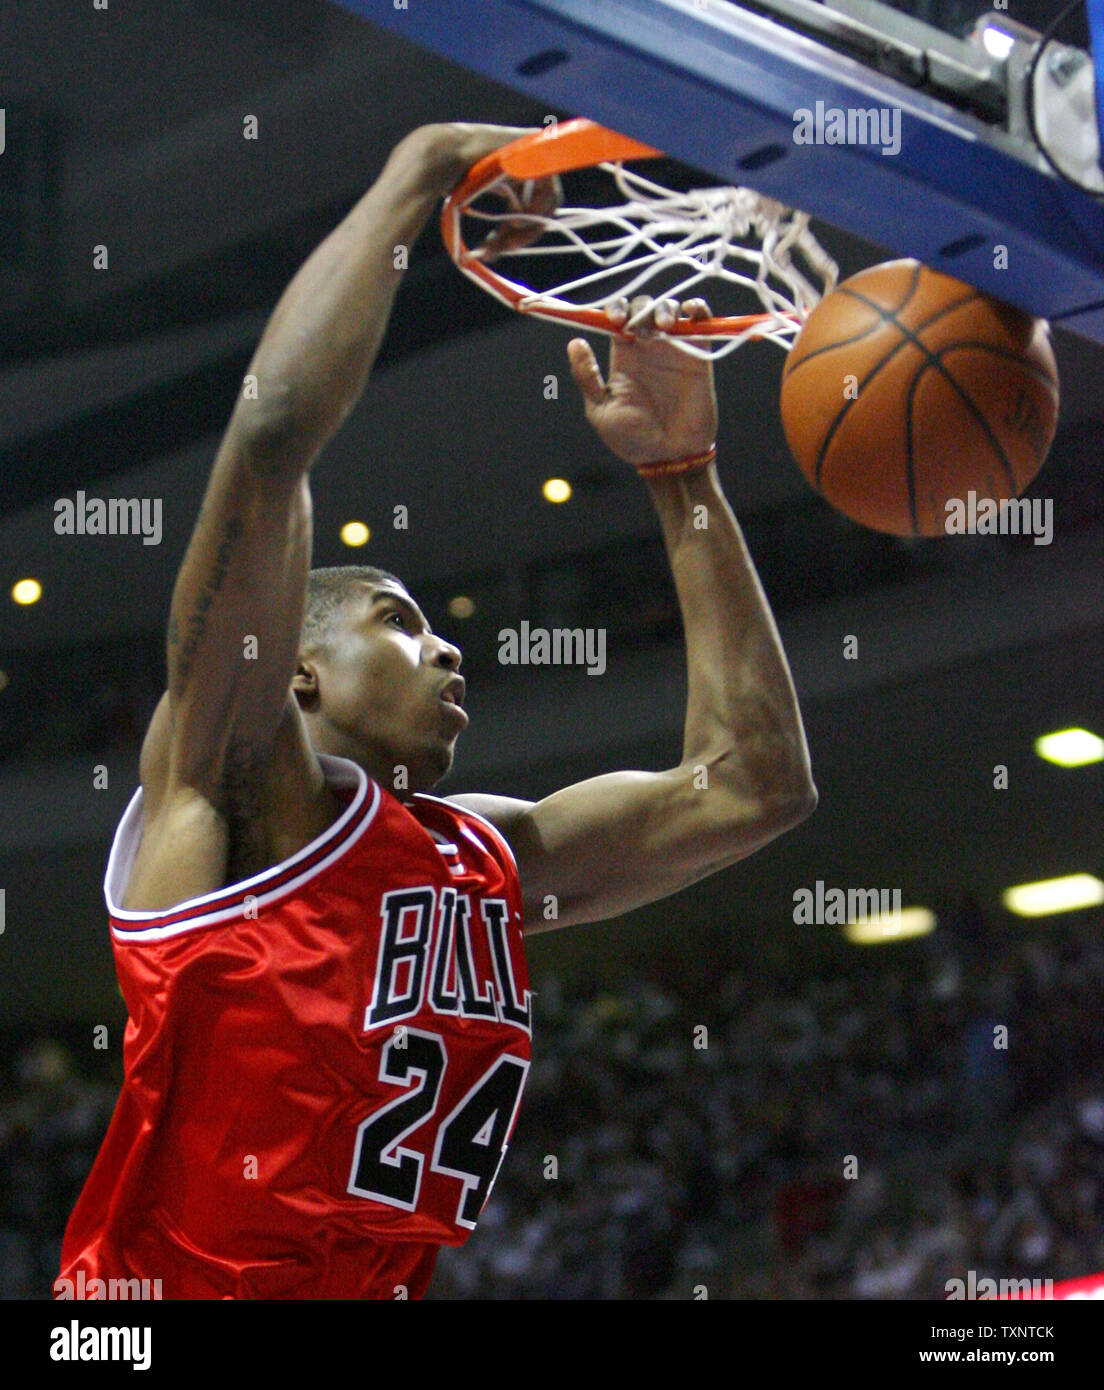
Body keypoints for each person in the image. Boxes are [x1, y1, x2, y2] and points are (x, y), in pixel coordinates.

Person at [57, 122, 817, 1300]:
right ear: (297, 672)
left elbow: (757, 784)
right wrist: (419, 172)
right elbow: (268, 443)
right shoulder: (227, 794)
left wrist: (686, 478)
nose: (446, 642)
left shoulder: (483, 858)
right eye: (399, 621)